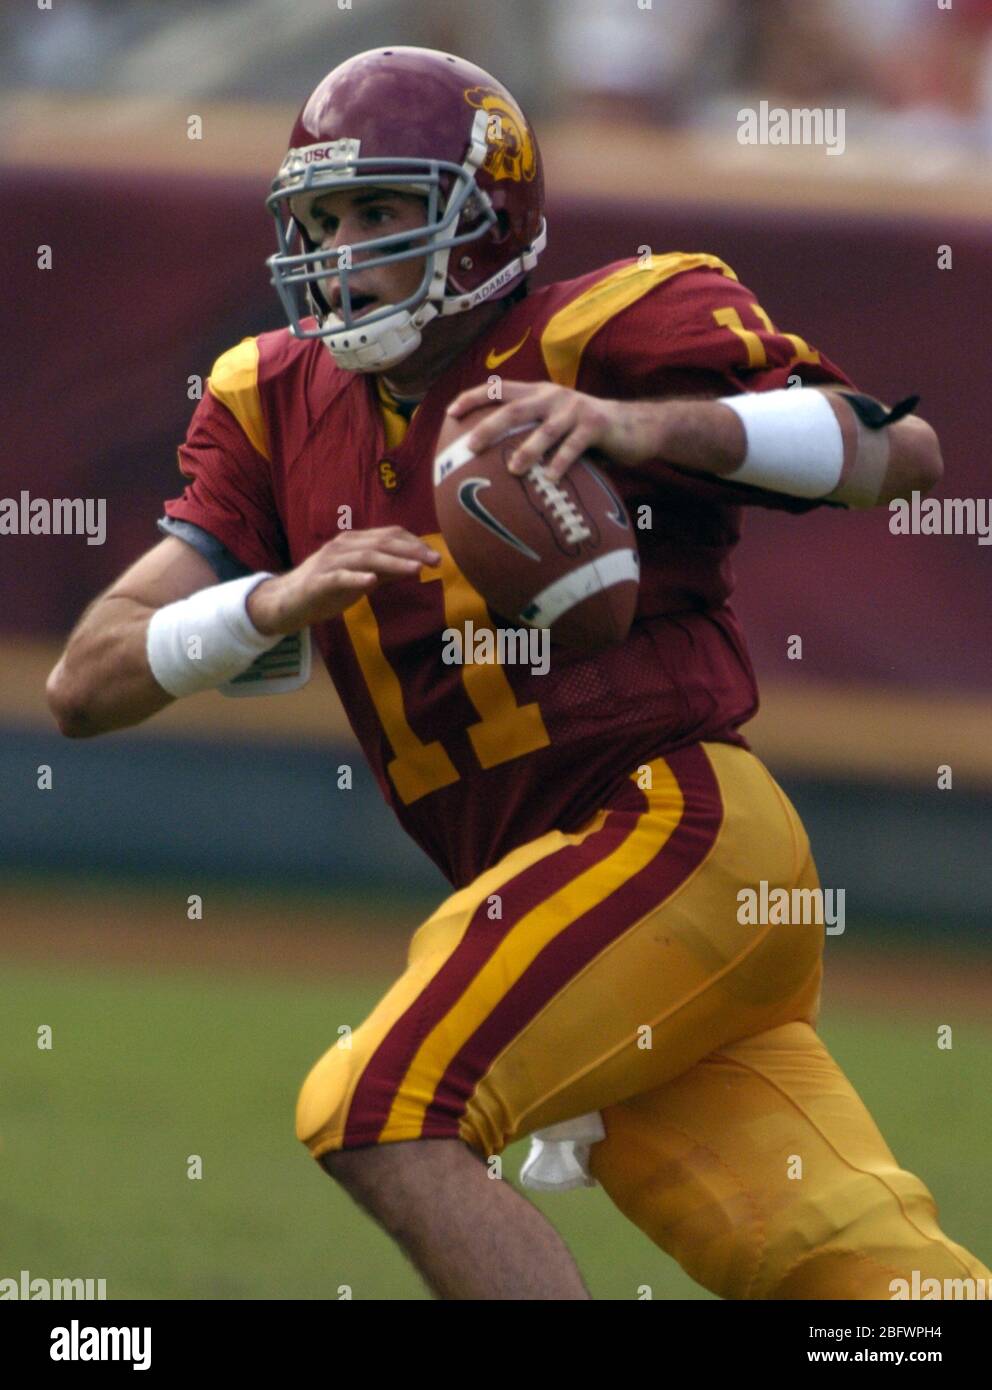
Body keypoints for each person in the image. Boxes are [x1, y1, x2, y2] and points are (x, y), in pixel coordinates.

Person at [46, 46, 989, 1301]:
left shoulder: (600, 331)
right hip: (576, 903)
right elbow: (84, 684)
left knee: (378, 1107)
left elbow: (900, 452)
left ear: (486, 211)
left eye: (379, 210)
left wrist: (639, 427)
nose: (341, 251)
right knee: (853, 1276)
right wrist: (263, 601)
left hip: (674, 834)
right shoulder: (270, 402)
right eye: (321, 218)